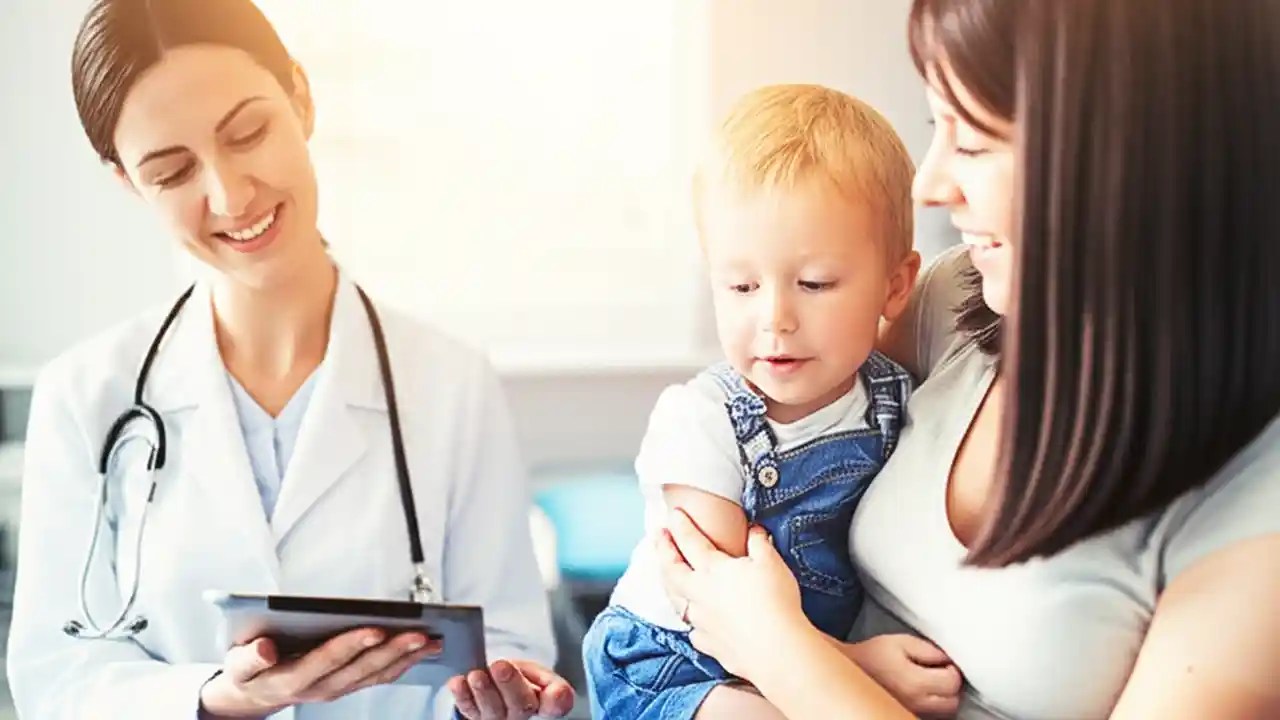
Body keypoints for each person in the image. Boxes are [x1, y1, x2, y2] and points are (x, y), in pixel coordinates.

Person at [654, 0, 1280, 718]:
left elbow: (752, 625)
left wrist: (776, 644)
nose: (930, 184)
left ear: (1125, 157)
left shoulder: (1255, 484)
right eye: (935, 128)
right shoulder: (958, 300)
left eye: (975, 143)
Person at [5, 1, 575, 718]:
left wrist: (503, 698)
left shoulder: (452, 384)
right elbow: (56, 680)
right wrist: (215, 700)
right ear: (127, 183)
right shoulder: (84, 398)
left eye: (247, 134)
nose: (229, 194)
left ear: (300, 98)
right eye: (172, 171)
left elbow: (511, 641)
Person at [582, 84, 963, 719]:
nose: (775, 318)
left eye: (813, 283)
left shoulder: (899, 397)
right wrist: (861, 667)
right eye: (741, 285)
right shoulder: (703, 420)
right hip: (676, 658)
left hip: (796, 658)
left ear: (896, 287)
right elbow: (720, 602)